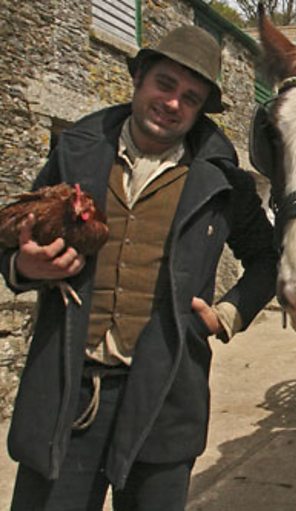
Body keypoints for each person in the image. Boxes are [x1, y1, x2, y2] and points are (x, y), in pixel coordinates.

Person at [0, 26, 277, 510]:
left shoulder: (223, 178)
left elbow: (269, 259)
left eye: (190, 98)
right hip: (67, 393)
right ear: (139, 79)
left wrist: (226, 314)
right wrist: (23, 265)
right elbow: (11, 234)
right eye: (164, 85)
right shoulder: (77, 149)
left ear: (200, 110)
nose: (172, 103)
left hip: (164, 397)